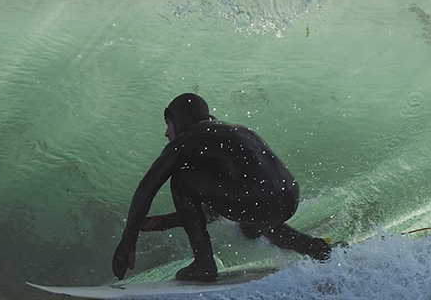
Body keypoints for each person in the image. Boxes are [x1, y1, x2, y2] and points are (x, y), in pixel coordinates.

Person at [112, 93, 332, 282]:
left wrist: (127, 240)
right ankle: (318, 249)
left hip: (256, 199)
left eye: (168, 123)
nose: (167, 133)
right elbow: (220, 206)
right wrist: (165, 222)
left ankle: (203, 264)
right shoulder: (234, 131)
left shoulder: (187, 139)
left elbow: (147, 187)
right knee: (252, 225)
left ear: (180, 120)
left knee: (181, 179)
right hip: (288, 198)